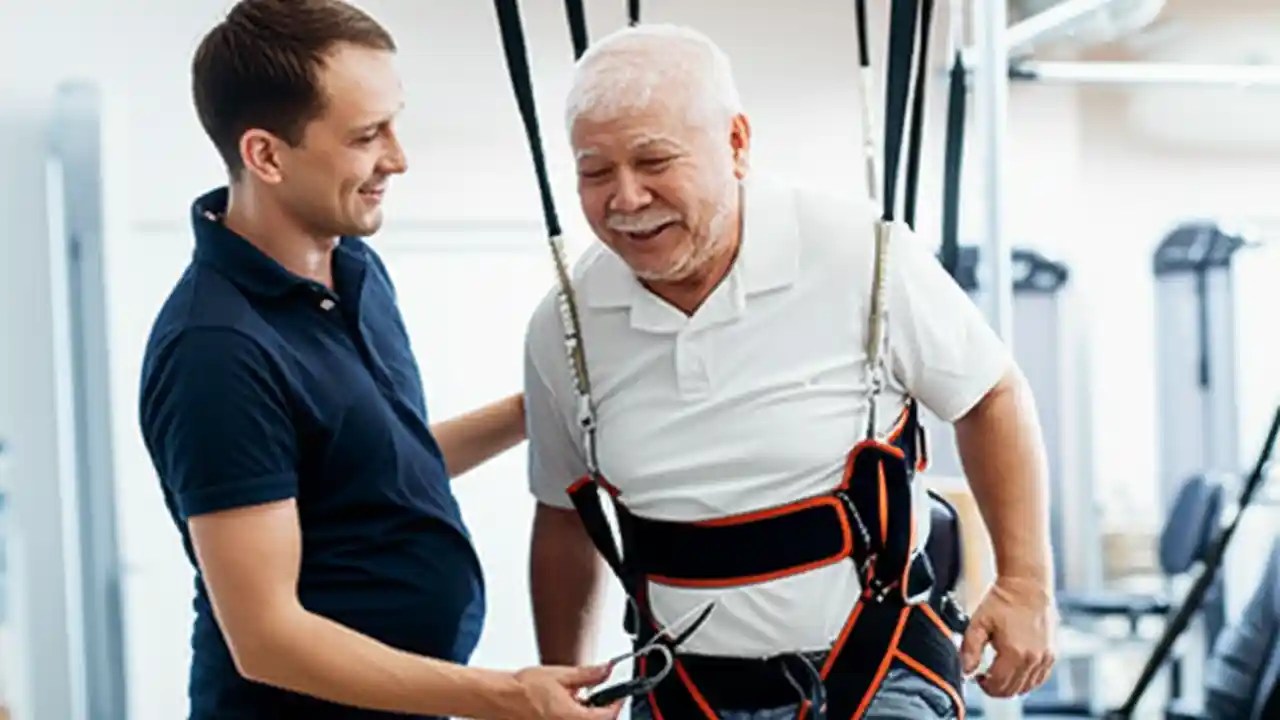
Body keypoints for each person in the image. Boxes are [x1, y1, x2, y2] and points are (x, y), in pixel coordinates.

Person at [523, 23, 1058, 719]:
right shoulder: (566, 324)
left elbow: (991, 395)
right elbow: (564, 515)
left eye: (655, 161)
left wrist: (1025, 584)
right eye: (595, 172)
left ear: (736, 143)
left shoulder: (858, 256)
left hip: (875, 677)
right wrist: (567, 682)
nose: (626, 198)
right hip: (682, 691)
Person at [138, 1, 620, 718]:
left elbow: (371, 468)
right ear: (266, 155)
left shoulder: (352, 268)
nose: (398, 158)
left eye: (393, 125)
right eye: (367, 136)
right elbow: (267, 638)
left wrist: (537, 407)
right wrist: (509, 697)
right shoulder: (216, 350)